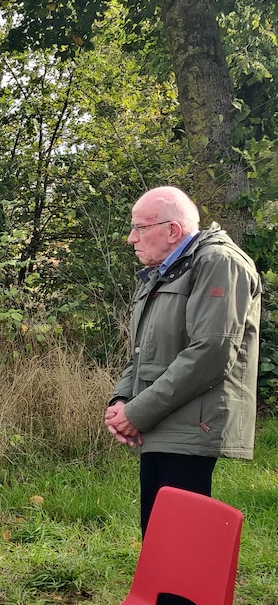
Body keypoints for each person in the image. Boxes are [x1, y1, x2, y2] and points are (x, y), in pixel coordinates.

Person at [105, 186, 260, 534]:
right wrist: (122, 400)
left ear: (173, 230)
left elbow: (211, 352)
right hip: (160, 422)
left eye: (140, 227)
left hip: (192, 426)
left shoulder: (218, 262)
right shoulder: (164, 270)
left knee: (179, 541)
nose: (131, 238)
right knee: (158, 536)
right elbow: (143, 350)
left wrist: (137, 412)